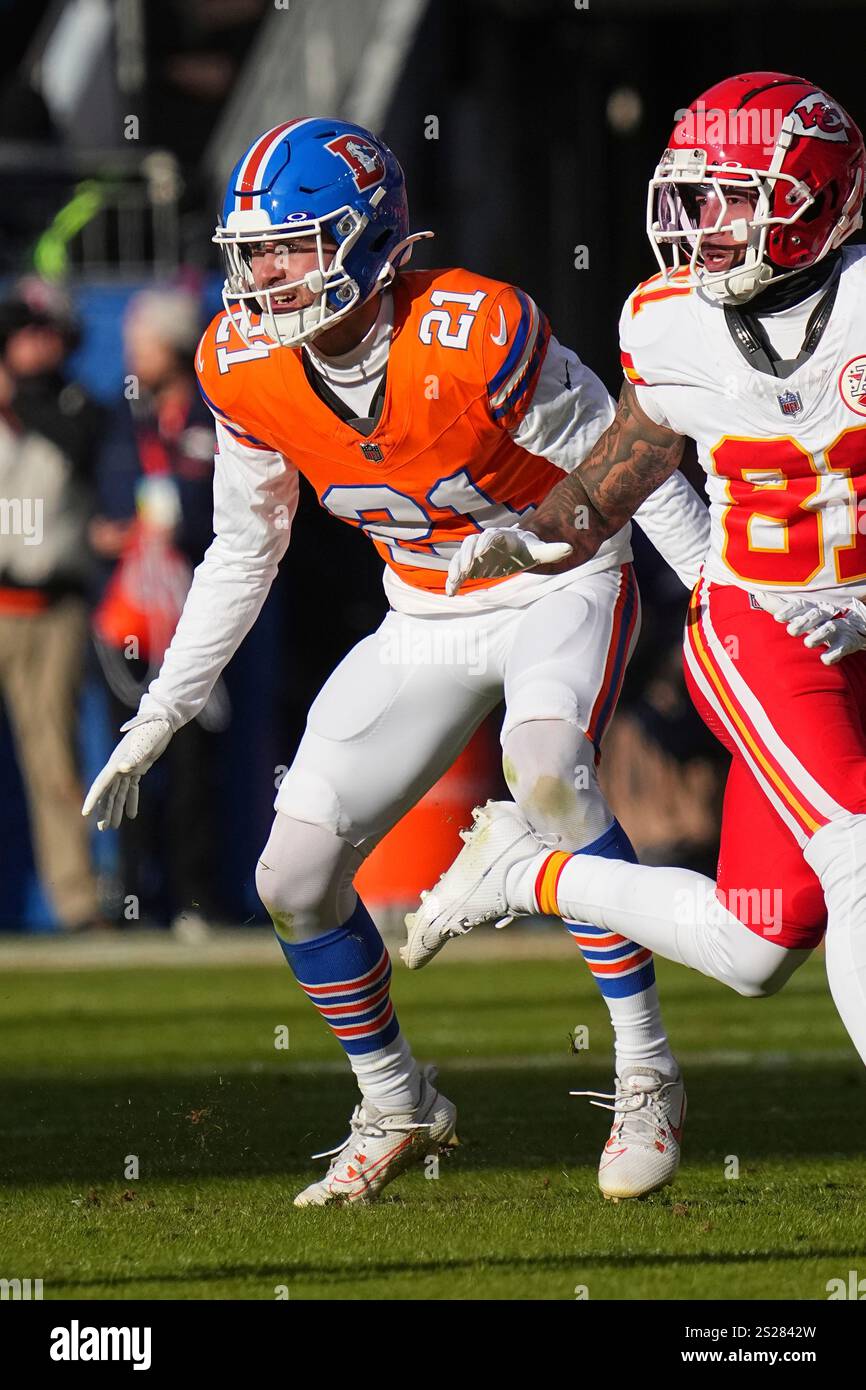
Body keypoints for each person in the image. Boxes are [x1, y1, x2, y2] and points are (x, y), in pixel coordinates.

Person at [83, 118, 712, 1205]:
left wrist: (715, 597)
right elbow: (245, 547)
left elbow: (633, 462)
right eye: (253, 253)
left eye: (291, 247)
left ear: (370, 239)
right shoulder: (241, 363)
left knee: (546, 773)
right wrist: (162, 711)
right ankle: (395, 1099)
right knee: (289, 878)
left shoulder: (471, 329)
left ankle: (647, 1070)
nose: (265, 276)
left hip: (559, 580)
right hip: (424, 609)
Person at [407, 72, 866, 1079]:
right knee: (856, 852)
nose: (707, 225)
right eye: (696, 198)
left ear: (820, 200)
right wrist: (537, 535)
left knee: (754, 946)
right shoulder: (667, 321)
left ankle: (528, 872)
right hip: (764, 625)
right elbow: (628, 466)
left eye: (735, 198)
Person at [90, 289, 227, 934]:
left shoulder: (210, 417)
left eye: (140, 344)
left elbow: (226, 518)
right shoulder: (124, 419)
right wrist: (105, 532)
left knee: (197, 766)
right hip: (129, 621)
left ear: (172, 347)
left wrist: (180, 517)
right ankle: (131, 901)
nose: (131, 358)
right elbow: (104, 499)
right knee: (128, 760)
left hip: (193, 617)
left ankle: (195, 901)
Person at [0, 278, 106, 931]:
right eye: (23, 332)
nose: (35, 344)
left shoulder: (76, 407)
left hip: (50, 605)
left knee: (53, 759)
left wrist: (17, 399)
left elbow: (78, 441)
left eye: (46, 332)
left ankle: (75, 902)